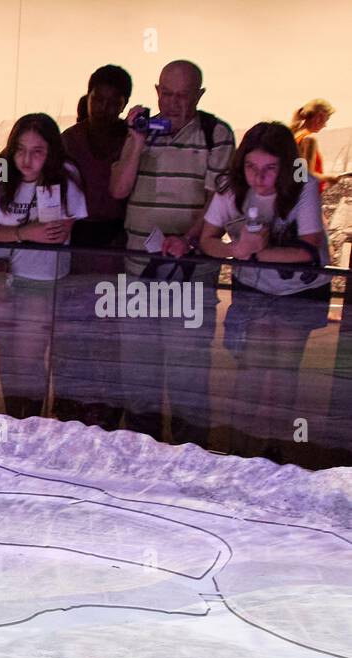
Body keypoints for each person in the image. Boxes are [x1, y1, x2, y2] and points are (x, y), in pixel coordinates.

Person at [109, 59, 235, 446]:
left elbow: (217, 201)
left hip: (190, 275)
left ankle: (188, 461)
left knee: (187, 375)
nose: (174, 102)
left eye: (183, 95)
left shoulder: (216, 134)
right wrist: (136, 142)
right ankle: (140, 460)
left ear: (200, 95)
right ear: (156, 91)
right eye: (167, 93)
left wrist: (189, 240)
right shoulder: (140, 132)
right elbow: (118, 189)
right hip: (138, 272)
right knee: (138, 374)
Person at [200, 121, 332, 459]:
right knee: (251, 368)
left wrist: (255, 253)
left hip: (298, 289)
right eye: (251, 167)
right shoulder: (230, 188)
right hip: (254, 287)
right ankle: (240, 447)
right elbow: (207, 239)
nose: (259, 178)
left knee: (283, 370)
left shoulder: (303, 186)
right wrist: (235, 250)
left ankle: (273, 449)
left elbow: (308, 249)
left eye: (270, 168)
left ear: (286, 166)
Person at [0, 113, 87, 419]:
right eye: (20, 150)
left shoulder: (65, 173)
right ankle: (15, 415)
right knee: (9, 349)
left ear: (52, 152)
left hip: (42, 276)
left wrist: (61, 227)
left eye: (37, 152)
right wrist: (24, 233)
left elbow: (72, 217)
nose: (26, 160)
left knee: (28, 352)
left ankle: (29, 418)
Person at [61, 65, 131, 264]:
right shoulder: (69, 141)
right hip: (73, 238)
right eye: (98, 99)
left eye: (113, 103)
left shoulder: (132, 139)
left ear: (124, 105)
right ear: (88, 98)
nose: (103, 108)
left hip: (120, 241)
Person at [290, 99, 346, 193]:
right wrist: (328, 178)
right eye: (326, 120)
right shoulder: (309, 139)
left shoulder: (295, 136)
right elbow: (305, 177)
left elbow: (298, 175)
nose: (325, 125)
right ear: (318, 117)